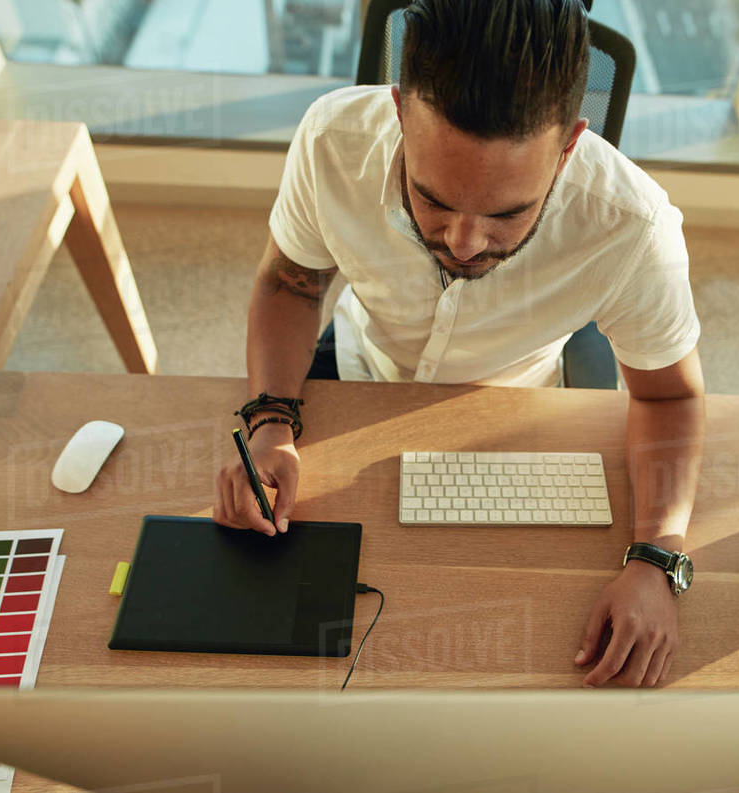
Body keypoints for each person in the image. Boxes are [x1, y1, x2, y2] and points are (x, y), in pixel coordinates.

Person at [214, 0, 705, 689]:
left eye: (506, 212)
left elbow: (672, 394)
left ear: (567, 145)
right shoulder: (331, 139)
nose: (464, 243)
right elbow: (292, 283)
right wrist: (269, 422)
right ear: (397, 113)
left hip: (517, 407)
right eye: (434, 199)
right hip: (351, 370)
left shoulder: (632, 225)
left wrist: (658, 557)